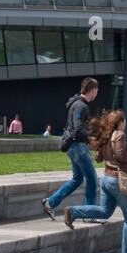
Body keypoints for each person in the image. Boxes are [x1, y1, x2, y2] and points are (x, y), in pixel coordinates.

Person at [62, 109, 127, 253]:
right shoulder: (119, 135)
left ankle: (72, 212)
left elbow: (98, 158)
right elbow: (121, 155)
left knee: (104, 211)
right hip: (118, 180)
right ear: (119, 122)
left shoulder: (106, 137)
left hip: (106, 178)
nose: (125, 123)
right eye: (124, 120)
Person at [43, 78, 99, 219]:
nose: (97, 94)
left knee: (78, 179)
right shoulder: (81, 106)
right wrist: (90, 138)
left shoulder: (76, 103)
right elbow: (78, 129)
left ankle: (50, 203)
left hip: (73, 148)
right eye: (96, 91)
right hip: (78, 147)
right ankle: (89, 214)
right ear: (92, 90)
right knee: (92, 180)